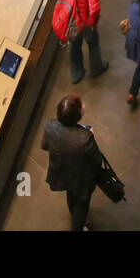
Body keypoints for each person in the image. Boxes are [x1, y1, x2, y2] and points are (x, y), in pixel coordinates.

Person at [41, 94, 105, 231]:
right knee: (82, 205)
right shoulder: (86, 137)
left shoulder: (49, 126)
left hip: (61, 172)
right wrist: (90, 135)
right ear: (78, 115)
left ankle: (72, 213)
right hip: (81, 178)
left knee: (70, 194)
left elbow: (44, 145)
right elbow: (97, 159)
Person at [64, 0, 107, 84]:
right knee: (93, 45)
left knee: (75, 47)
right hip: (87, 23)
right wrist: (93, 24)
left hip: (72, 22)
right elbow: (95, 9)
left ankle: (76, 73)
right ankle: (97, 68)